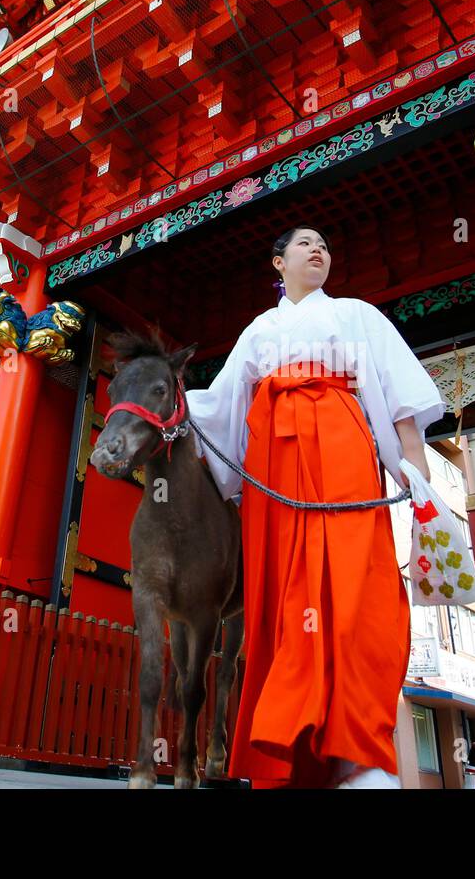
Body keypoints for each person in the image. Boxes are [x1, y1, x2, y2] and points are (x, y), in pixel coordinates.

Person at [186, 226, 446, 789]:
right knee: (283, 590)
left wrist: (411, 457)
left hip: (341, 441)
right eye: (305, 244)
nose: (319, 250)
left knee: (356, 580)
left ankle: (360, 752)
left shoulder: (356, 314)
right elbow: (223, 402)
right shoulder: (259, 330)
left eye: (325, 244)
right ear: (277, 262)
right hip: (273, 454)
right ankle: (292, 755)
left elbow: (395, 386)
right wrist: (165, 400)